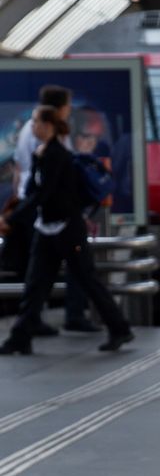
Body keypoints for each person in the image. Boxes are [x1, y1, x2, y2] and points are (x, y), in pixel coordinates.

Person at [0, 106, 134, 356]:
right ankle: (20, 337)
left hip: (67, 229)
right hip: (47, 228)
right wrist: (15, 214)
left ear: (49, 125)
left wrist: (12, 217)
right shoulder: (41, 153)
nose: (33, 126)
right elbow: (32, 191)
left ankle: (119, 328)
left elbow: (44, 193)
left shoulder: (58, 155)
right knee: (35, 285)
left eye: (36, 121)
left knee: (87, 280)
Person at [10, 85, 96, 335]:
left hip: (40, 209)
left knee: (40, 272)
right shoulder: (48, 136)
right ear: (58, 109)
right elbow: (48, 182)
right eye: (67, 105)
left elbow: (19, 168)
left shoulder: (40, 132)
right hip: (48, 212)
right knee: (73, 270)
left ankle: (29, 324)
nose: (70, 110)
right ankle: (87, 317)